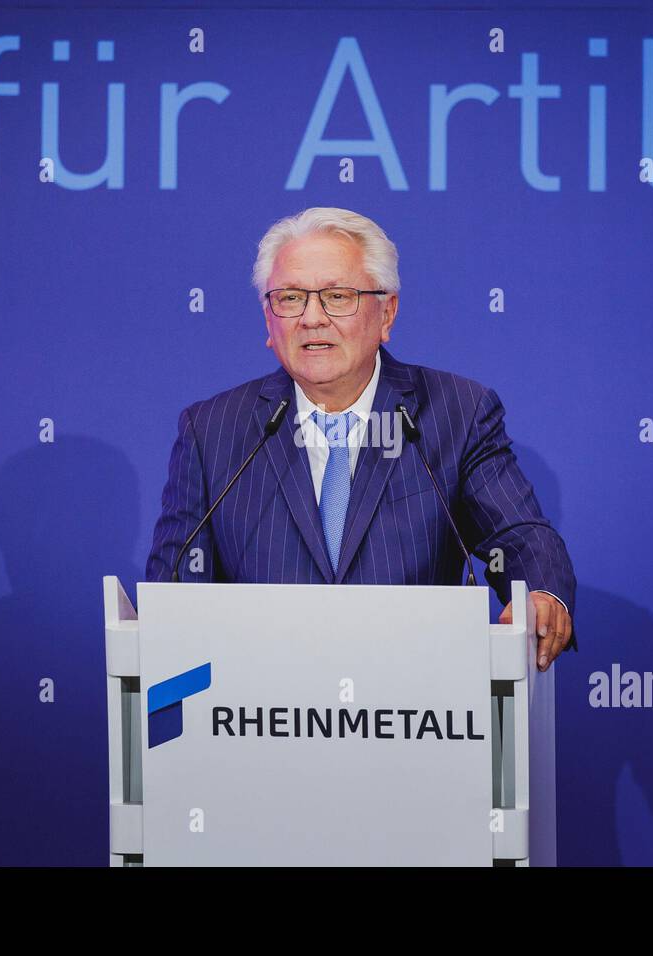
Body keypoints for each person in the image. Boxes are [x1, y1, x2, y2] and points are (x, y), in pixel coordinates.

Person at [145, 207, 576, 669]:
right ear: (268, 321)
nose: (312, 317)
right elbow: (173, 592)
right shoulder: (212, 430)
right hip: (258, 704)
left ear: (386, 313)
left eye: (338, 296)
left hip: (417, 701)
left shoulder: (456, 412)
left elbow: (515, 532)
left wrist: (540, 593)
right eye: (290, 298)